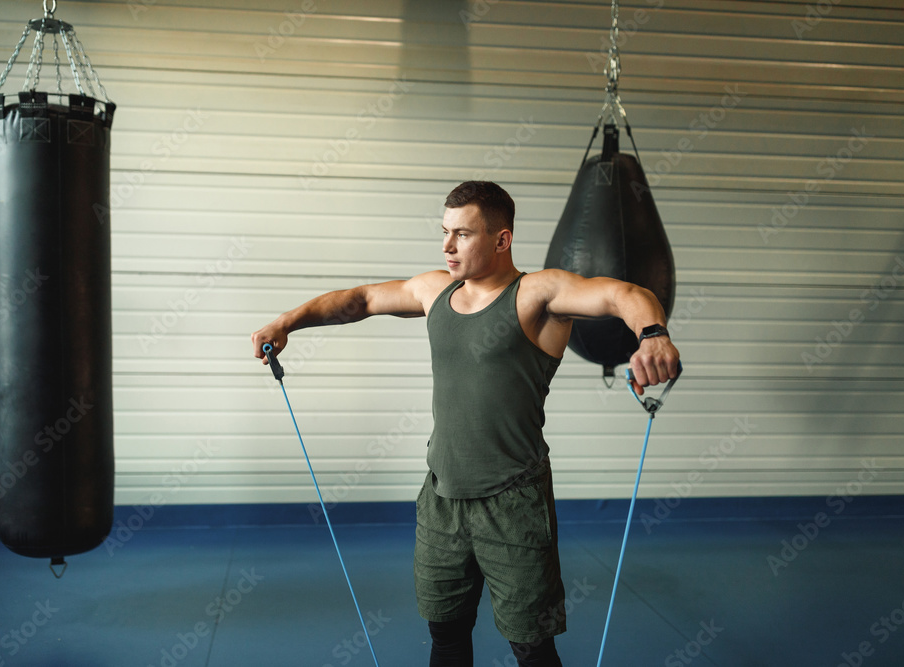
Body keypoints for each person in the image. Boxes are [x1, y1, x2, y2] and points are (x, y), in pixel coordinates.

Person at [251, 181, 680, 667]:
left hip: (513, 501)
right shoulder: (436, 289)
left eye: (462, 234)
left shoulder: (538, 293)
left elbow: (625, 293)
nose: (446, 246)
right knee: (446, 635)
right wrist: (287, 321)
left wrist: (652, 335)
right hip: (441, 497)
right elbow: (362, 299)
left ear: (501, 239)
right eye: (444, 232)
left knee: (531, 645)